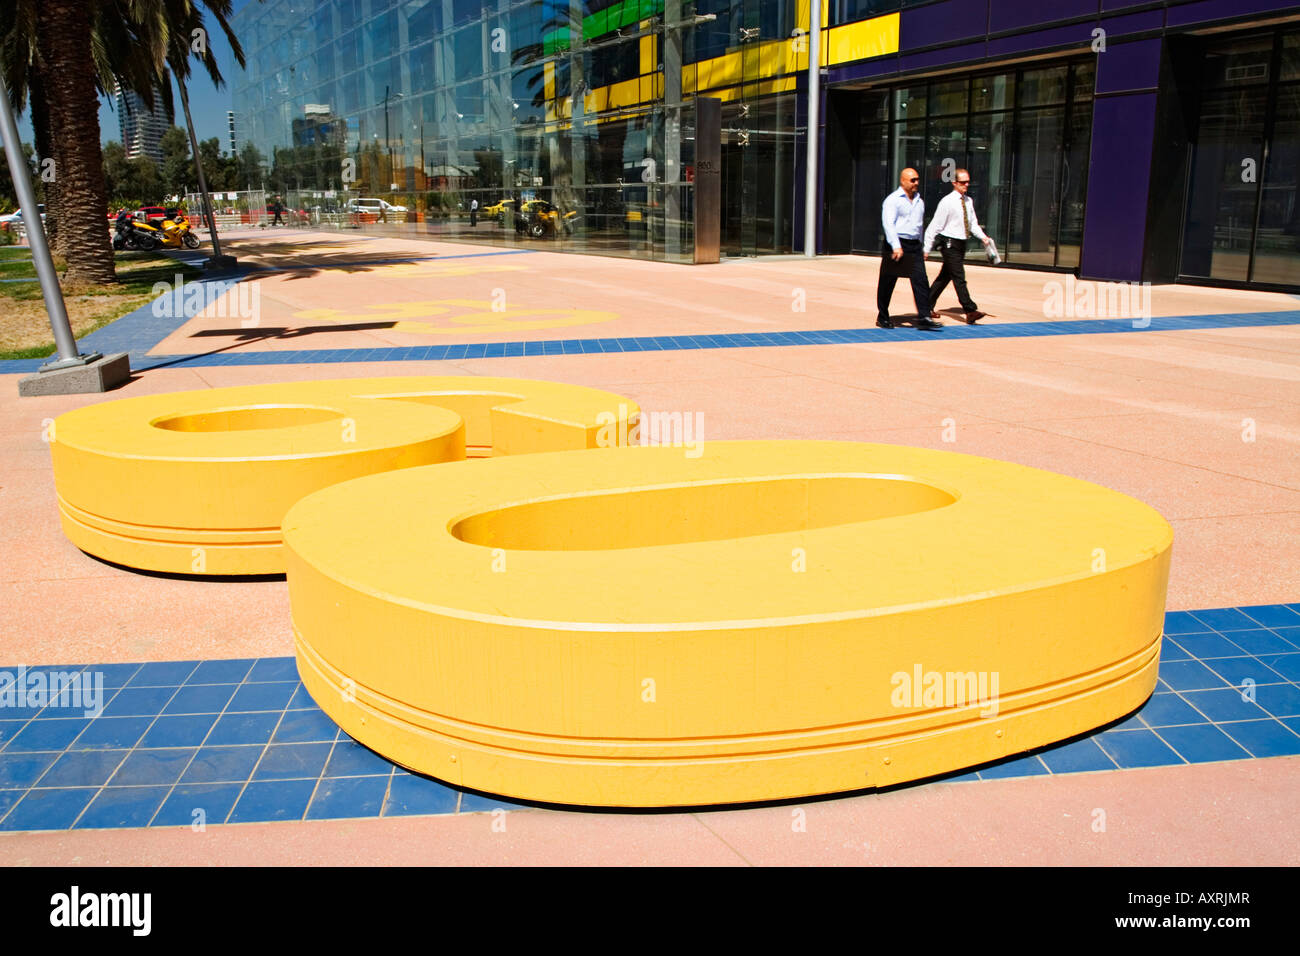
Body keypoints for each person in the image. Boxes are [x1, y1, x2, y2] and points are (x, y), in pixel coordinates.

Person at [923, 168, 993, 323]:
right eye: (963, 182)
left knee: (945, 276)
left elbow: (972, 223)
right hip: (949, 244)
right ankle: (970, 310)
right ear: (954, 183)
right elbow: (935, 226)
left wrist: (984, 237)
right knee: (959, 277)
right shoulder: (947, 202)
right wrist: (926, 248)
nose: (966, 185)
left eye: (968, 181)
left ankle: (925, 305)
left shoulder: (968, 201)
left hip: (961, 243)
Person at [878, 168, 940, 330]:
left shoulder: (920, 201)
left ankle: (924, 316)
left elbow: (919, 226)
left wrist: (923, 247)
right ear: (903, 181)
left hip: (914, 246)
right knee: (888, 280)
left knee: (921, 280)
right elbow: (888, 224)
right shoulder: (893, 200)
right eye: (913, 180)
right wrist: (896, 246)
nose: (916, 183)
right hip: (896, 244)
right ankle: (882, 316)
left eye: (917, 179)